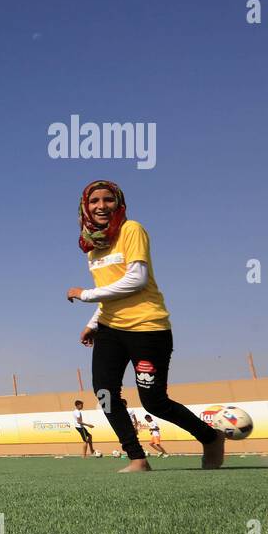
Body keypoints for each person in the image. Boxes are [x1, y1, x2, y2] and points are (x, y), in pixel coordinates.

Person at [66, 179, 224, 472]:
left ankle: (210, 437)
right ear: (84, 207)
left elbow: (136, 280)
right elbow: (110, 290)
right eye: (94, 201)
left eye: (108, 199)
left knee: (154, 402)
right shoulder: (93, 248)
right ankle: (137, 457)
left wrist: (84, 295)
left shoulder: (131, 229)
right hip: (111, 328)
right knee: (105, 392)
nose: (101, 206)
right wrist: (94, 323)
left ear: (119, 203)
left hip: (148, 327)